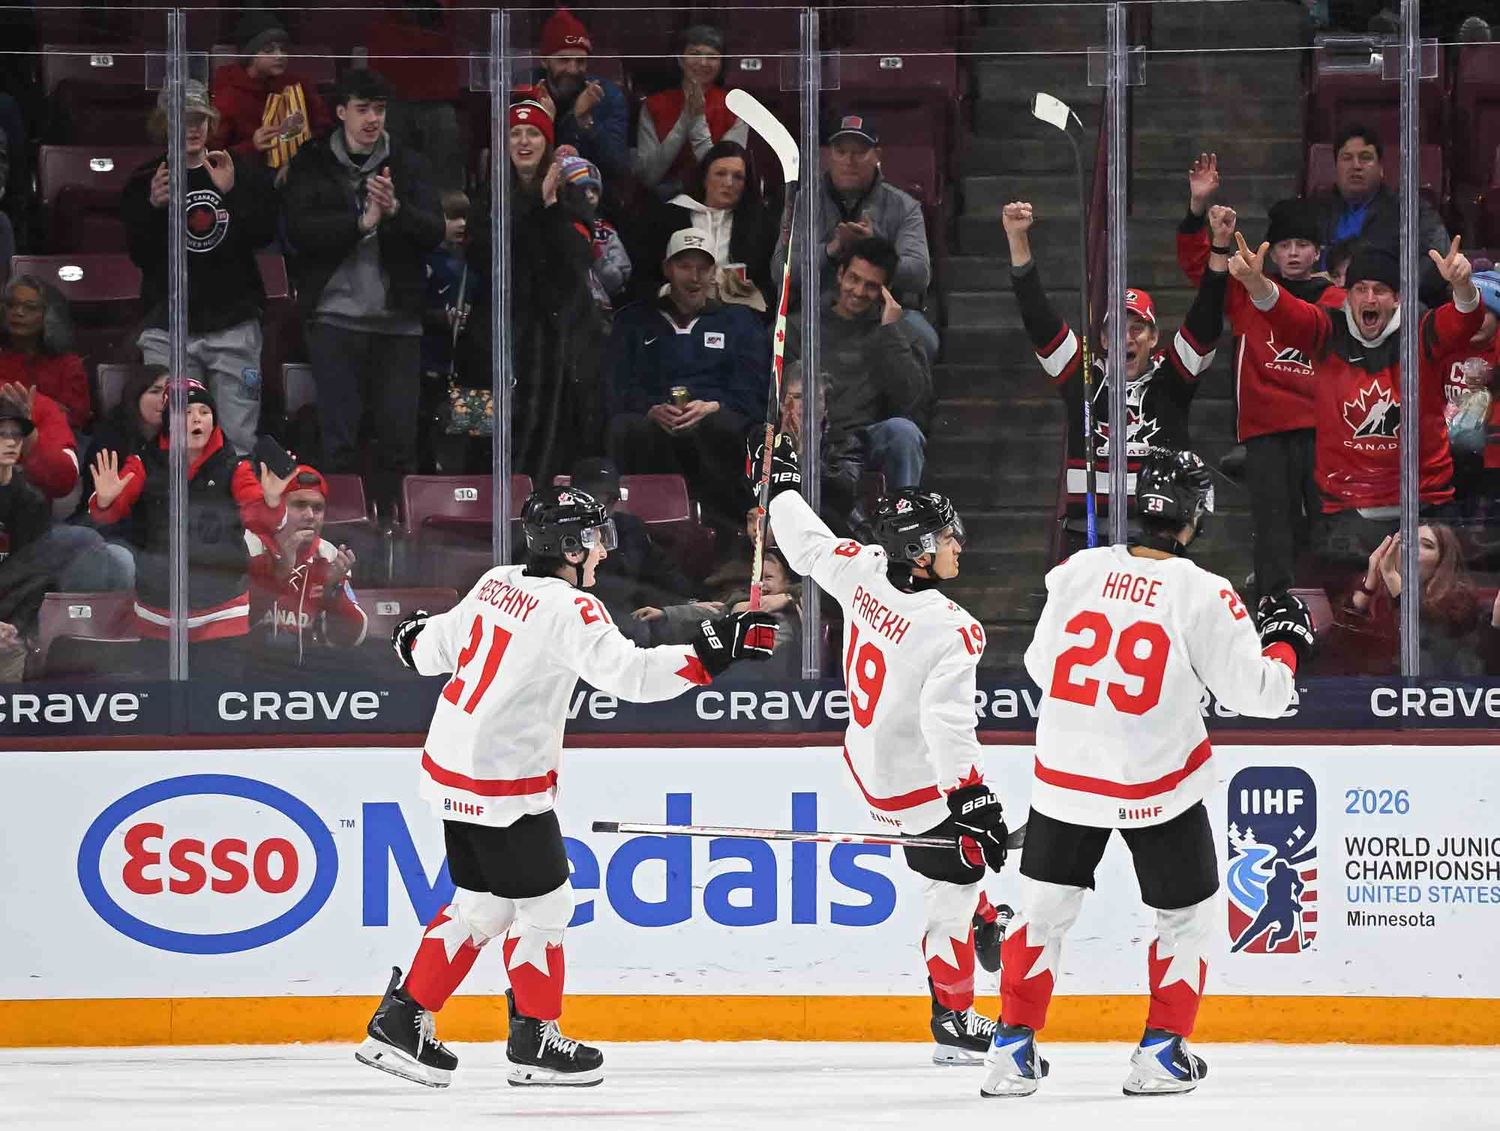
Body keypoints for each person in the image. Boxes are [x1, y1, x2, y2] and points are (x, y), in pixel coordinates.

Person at [356, 485, 776, 1089]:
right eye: (598, 539)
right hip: (503, 781)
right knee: (548, 905)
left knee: (484, 905)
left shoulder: (495, 582)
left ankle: (406, 1021)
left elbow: (428, 647)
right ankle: (532, 1040)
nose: (604, 551)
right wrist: (715, 654)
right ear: (574, 546)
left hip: (453, 769)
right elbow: (630, 675)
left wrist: (410, 636)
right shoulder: (570, 609)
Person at [982, 448, 1310, 1098]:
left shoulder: (1077, 569)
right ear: (1195, 516)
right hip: (1156, 784)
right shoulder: (1204, 592)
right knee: (1186, 916)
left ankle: (1010, 1048)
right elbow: (1265, 694)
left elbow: (1041, 664)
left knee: (1043, 912)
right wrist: (1287, 642)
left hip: (1067, 775)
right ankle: (1161, 1051)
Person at [758, 436, 1013, 1066]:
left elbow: (807, 544)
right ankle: (954, 1022)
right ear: (921, 552)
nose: (959, 545)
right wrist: (972, 797)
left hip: (866, 761)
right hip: (915, 786)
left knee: (962, 862)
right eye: (949, 538)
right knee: (952, 887)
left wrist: (781, 485)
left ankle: (983, 915)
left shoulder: (865, 567)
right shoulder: (952, 628)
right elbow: (947, 722)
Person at [1225, 233, 1483, 602]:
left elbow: (1464, 321)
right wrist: (1254, 281)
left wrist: (1462, 286)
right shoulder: (1327, 330)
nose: (1369, 298)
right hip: (1345, 512)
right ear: (1347, 295)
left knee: (1427, 618)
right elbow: (1284, 313)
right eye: (1360, 289)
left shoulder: (1422, 331)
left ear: (1398, 298)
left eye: (1380, 289)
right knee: (1352, 622)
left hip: (1423, 506)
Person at [1004, 200, 1227, 558]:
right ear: (1104, 340)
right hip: (1087, 534)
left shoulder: (1173, 376)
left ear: (1154, 338)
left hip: (1157, 536)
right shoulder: (1083, 375)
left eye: (1138, 328)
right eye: (1118, 329)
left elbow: (1207, 318)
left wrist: (1218, 248)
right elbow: (1039, 320)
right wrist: (1018, 241)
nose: (1128, 338)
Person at [1179, 157, 1345, 604]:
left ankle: (1338, 611)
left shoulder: (1338, 301)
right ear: (1270, 251)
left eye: (1303, 245)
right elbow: (1199, 268)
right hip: (1265, 433)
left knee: (1330, 529)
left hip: (1324, 432)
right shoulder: (1246, 288)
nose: (1293, 253)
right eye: (1285, 244)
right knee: (1272, 530)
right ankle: (1275, 611)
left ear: (1317, 252)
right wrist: (1198, 208)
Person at [282, 67, 445, 517]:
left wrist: (395, 210)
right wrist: (360, 225)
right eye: (362, 109)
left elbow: (434, 230)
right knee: (339, 441)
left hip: (399, 325)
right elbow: (300, 231)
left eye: (379, 109)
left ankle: (399, 535)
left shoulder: (410, 165)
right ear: (340, 112)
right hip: (336, 320)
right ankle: (341, 533)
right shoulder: (312, 162)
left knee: (398, 441)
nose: (373, 118)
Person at [121, 80, 279, 456]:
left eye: (200, 119)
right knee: (172, 439)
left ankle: (237, 512)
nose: (193, 128)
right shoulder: (145, 182)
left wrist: (232, 194)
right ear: (163, 125)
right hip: (171, 328)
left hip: (233, 324)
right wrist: (152, 210)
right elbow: (142, 257)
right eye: (182, 119)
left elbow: (264, 235)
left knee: (239, 440)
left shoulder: (237, 171)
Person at [87, 380, 293, 661]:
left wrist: (271, 504)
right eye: (185, 411)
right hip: (158, 611)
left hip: (222, 612)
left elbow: (261, 521)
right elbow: (108, 514)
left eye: (204, 412)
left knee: (216, 700)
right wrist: (105, 501)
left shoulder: (236, 468)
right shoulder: (144, 463)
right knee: (162, 701)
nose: (196, 418)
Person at [605, 229, 770, 534]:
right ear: (668, 269)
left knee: (726, 428)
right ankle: (635, 533)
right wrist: (649, 408)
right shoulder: (634, 321)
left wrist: (714, 406)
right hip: (654, 419)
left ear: (714, 272)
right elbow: (617, 386)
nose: (694, 277)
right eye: (684, 266)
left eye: (703, 267)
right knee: (625, 428)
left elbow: (754, 389)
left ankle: (727, 539)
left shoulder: (741, 322)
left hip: (714, 418)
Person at [773, 112, 937, 358]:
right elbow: (779, 270)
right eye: (841, 152)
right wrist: (832, 250)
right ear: (827, 156)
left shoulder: (904, 206)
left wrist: (873, 248)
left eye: (859, 152)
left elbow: (919, 274)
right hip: (818, 313)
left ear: (877, 156)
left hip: (880, 312)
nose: (849, 160)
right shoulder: (801, 203)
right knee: (773, 339)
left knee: (925, 340)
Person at [786, 237, 931, 490]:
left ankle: (903, 521)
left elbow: (914, 401)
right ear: (840, 274)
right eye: (854, 278)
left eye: (871, 286)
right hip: (809, 436)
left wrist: (890, 331)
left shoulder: (898, 333)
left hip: (864, 440)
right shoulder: (801, 327)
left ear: (886, 290)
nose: (859, 291)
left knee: (903, 432)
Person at [1324, 525, 1500, 677]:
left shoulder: (1459, 604)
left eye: (1427, 545)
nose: (1413, 549)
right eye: (1406, 542)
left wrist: (1395, 582)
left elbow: (1431, 646)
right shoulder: (1373, 596)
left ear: (1442, 561)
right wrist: (1368, 587)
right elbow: (1335, 651)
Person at [1309, 124, 1451, 306]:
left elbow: (1435, 264)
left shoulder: (1412, 211)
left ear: (1381, 168)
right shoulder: (1316, 213)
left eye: (1365, 158)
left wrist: (1392, 293)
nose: (1356, 166)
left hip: (1390, 311)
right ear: (1335, 167)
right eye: (1347, 158)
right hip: (1326, 308)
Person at [245, 463, 367, 669]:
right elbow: (235, 620)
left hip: (307, 683)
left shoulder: (329, 556)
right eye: (299, 505)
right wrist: (280, 571)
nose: (310, 515)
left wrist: (333, 594)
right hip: (240, 678)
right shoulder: (249, 545)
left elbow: (351, 638)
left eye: (317, 508)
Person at [647, 140, 776, 314]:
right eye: (720, 174)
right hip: (675, 313)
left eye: (738, 177)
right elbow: (644, 278)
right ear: (704, 178)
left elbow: (770, 285)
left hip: (737, 318)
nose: (729, 183)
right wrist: (670, 291)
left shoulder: (759, 225)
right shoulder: (670, 216)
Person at [567, 457, 694, 626]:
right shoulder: (558, 535)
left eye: (610, 500)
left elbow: (662, 569)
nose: (602, 509)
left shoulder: (630, 527)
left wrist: (689, 602)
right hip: (583, 618)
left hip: (635, 615)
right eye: (593, 500)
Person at [209, 10, 333, 175]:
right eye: (269, 50)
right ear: (250, 55)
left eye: (283, 49)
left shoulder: (298, 85)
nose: (280, 56)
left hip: (299, 174)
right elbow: (213, 153)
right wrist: (252, 145)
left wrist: (303, 142)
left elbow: (324, 129)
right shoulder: (229, 95)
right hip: (246, 176)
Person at [635, 23, 749, 197]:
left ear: (721, 64)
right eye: (695, 54)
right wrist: (685, 120)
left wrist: (696, 119)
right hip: (661, 201)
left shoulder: (734, 108)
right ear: (680, 60)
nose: (703, 63)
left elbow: (724, 177)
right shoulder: (653, 105)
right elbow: (649, 176)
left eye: (712, 57)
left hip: (715, 200)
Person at [79, 364, 168, 570]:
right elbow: (98, 508)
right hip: (108, 527)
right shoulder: (110, 438)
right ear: (135, 395)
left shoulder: (184, 441)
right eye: (154, 391)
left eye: (170, 392)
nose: (163, 398)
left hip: (153, 534)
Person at [531, 7, 629, 186]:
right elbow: (515, 166)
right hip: (538, 195)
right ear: (544, 61)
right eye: (563, 60)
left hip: (594, 198)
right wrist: (544, 122)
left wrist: (585, 123)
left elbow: (618, 167)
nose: (573, 69)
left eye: (580, 61)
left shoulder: (606, 95)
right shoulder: (527, 92)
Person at [0, 397, 54, 678]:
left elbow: (37, 578)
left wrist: (14, 627)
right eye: (2, 434)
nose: (11, 442)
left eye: (16, 435)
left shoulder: (32, 503)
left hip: (8, 634)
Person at [0, 276, 90, 434]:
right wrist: (50, 408)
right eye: (11, 305)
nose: (18, 312)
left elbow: (75, 418)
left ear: (50, 315)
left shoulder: (68, 364)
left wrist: (24, 407)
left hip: (56, 439)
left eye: (30, 307)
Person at [557, 153, 631, 311]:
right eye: (583, 189)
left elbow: (617, 280)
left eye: (594, 190)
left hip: (599, 312)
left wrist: (595, 253)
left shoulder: (606, 232)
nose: (590, 196)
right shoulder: (554, 225)